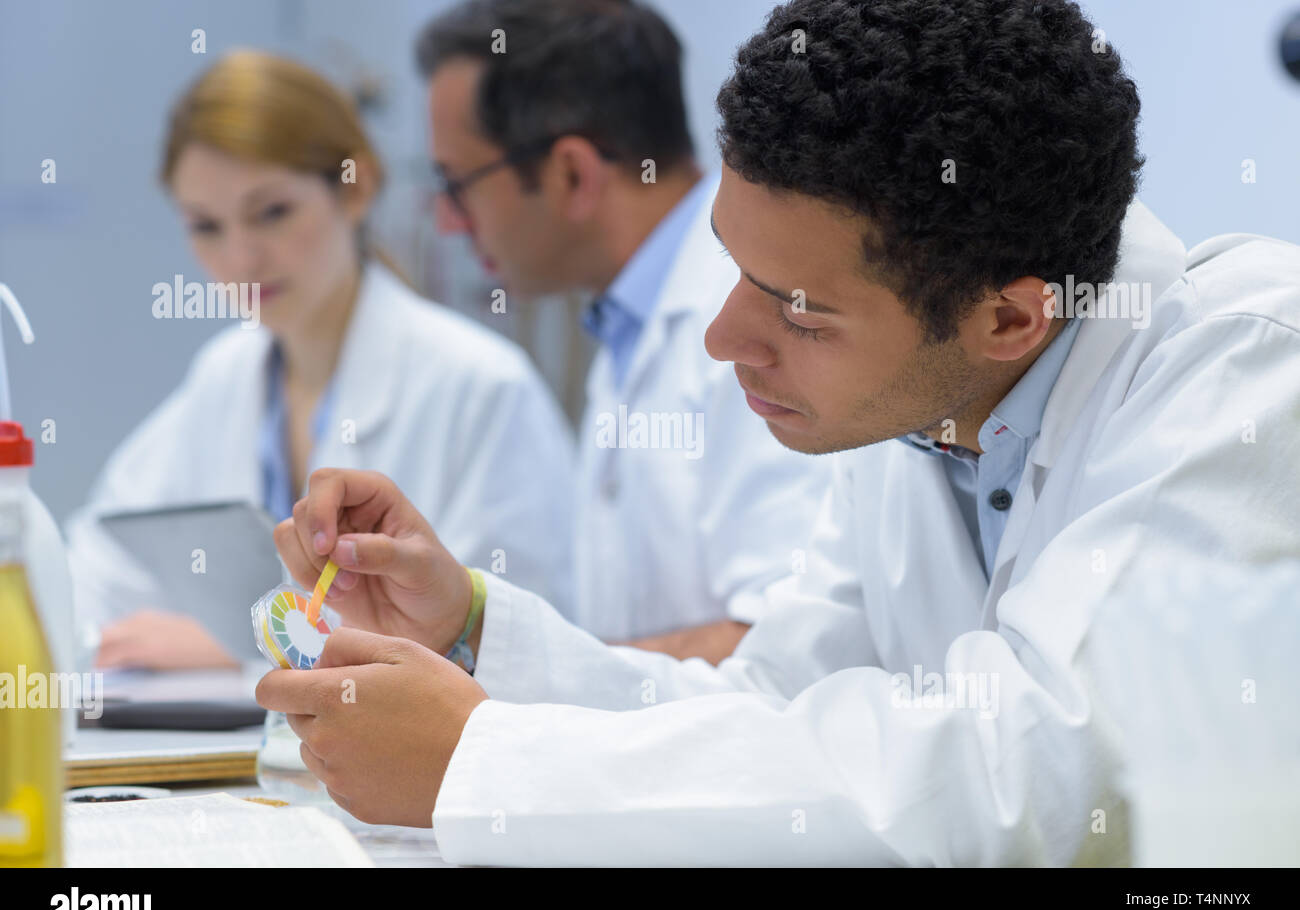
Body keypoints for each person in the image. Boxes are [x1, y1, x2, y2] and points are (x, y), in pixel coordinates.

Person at [257, 0, 1300, 865]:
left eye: (797, 310)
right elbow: (770, 705)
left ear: (1007, 319)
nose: (721, 338)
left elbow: (1033, 774)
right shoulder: (922, 407)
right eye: (731, 270)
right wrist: (470, 629)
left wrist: (486, 768)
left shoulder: (1243, 363)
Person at [65, 50, 575, 671]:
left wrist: (241, 644)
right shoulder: (225, 377)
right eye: (205, 226)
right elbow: (97, 560)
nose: (242, 258)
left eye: (272, 212)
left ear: (353, 187)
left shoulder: (482, 387)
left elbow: (513, 647)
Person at [416, 0, 832, 662]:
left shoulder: (752, 326)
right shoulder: (627, 326)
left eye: (457, 183)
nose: (445, 221)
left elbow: (782, 646)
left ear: (573, 173)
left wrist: (497, 666)